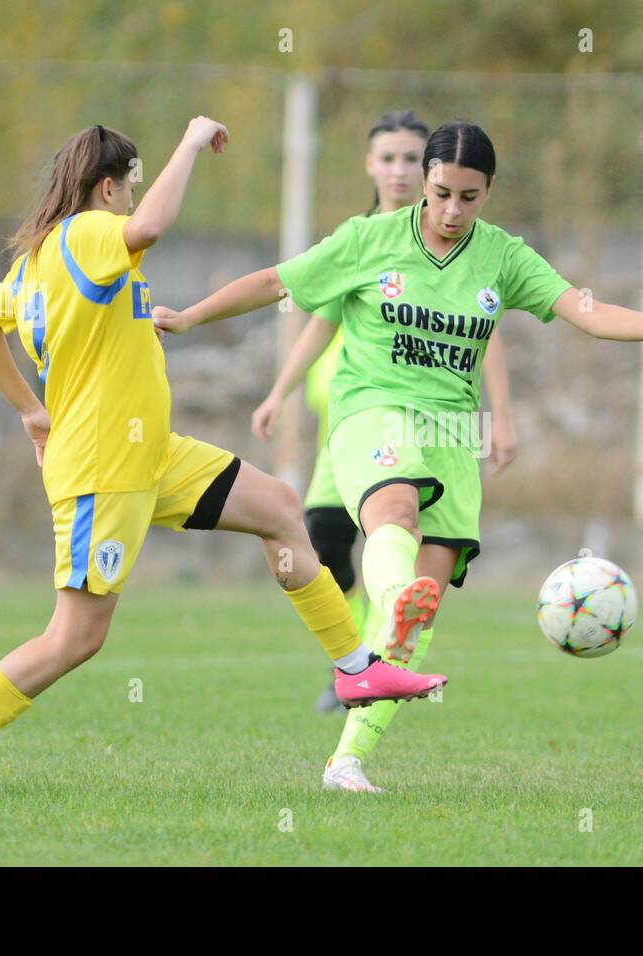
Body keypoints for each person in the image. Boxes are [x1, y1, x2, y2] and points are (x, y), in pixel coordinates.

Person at [153, 121, 643, 791]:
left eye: (469, 198)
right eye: (442, 193)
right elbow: (277, 283)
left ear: (489, 193)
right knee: (393, 510)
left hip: (453, 437)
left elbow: (584, 311)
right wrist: (189, 318)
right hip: (372, 411)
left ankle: (347, 761)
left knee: (417, 626)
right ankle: (395, 600)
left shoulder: (503, 258)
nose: (452, 212)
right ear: (423, 181)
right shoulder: (369, 240)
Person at [0, 117, 446, 795]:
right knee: (76, 637)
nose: (134, 196)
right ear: (108, 187)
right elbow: (148, 228)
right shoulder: (90, 231)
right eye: (130, 183)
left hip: (150, 455)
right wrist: (189, 143)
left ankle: (355, 666)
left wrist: (31, 411)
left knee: (278, 506)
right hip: (103, 468)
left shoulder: (37, 260)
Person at [247, 110, 520, 722]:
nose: (399, 170)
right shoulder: (365, 237)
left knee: (393, 530)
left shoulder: (471, 250)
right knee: (322, 547)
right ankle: (356, 659)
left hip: (425, 418)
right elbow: (317, 314)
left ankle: (366, 663)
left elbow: (487, 330)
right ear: (373, 166)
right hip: (355, 414)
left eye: (408, 157)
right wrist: (280, 391)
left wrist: (501, 414)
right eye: (389, 158)